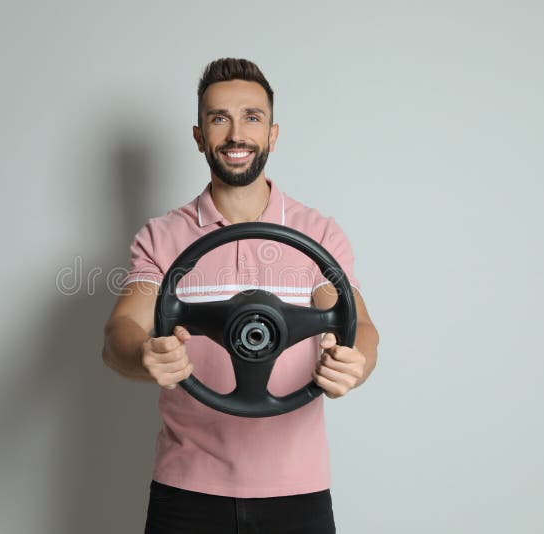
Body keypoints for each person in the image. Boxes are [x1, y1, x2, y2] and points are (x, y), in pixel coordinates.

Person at [101, 58, 379, 534]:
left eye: (252, 117)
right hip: (186, 491)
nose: (236, 134)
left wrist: (356, 363)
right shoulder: (163, 237)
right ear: (198, 136)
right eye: (218, 118)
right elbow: (119, 334)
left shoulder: (319, 234)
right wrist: (144, 353)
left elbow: (362, 326)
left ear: (272, 134)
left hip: (298, 493)